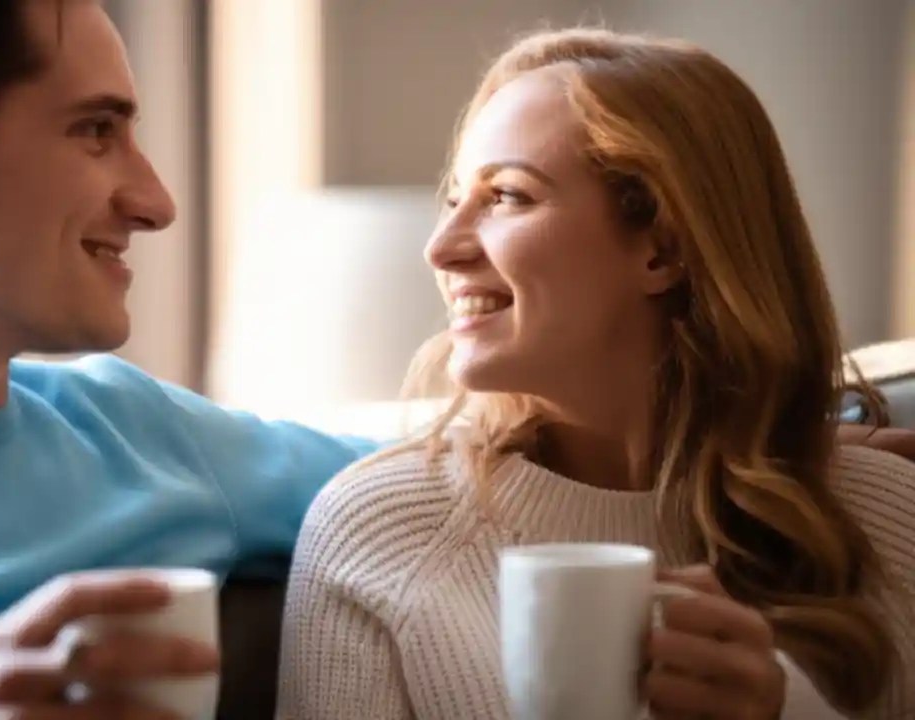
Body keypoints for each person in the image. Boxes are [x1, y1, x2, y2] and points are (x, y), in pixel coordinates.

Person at [0, 3, 910, 718]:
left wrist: (790, 431)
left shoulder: (143, 433)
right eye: (96, 132)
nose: (154, 199)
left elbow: (503, 465)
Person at [277, 28, 915, 720]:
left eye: (508, 197)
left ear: (663, 249)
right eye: (456, 197)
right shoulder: (374, 533)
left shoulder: (887, 522)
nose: (442, 247)